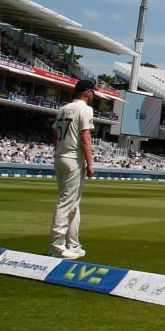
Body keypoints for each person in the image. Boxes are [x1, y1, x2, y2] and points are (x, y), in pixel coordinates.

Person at [50, 79, 96, 259]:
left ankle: (73, 245)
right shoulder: (85, 109)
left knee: (73, 204)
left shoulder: (63, 109)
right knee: (66, 203)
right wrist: (90, 163)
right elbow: (85, 138)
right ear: (87, 92)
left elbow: (55, 135)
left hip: (60, 157)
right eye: (92, 92)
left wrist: (59, 152)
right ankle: (57, 247)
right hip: (73, 160)